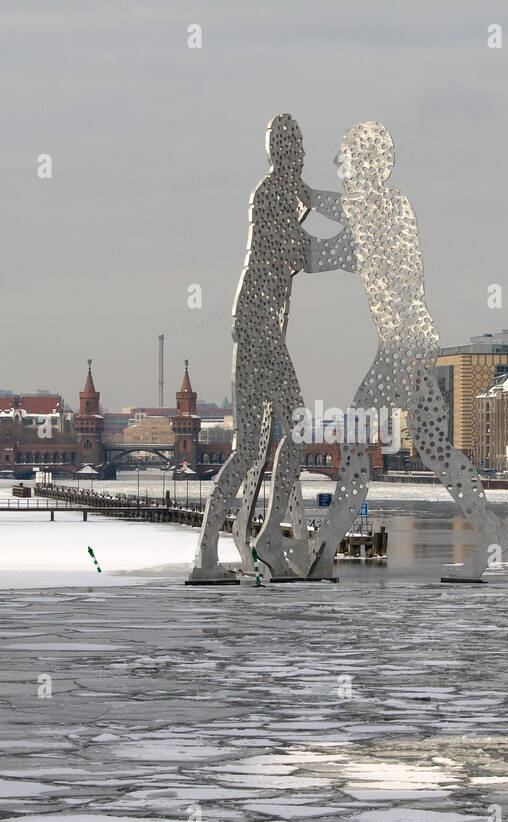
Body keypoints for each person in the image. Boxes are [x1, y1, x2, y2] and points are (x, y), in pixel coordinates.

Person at [307, 121, 508, 581]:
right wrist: (303, 208)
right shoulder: (382, 213)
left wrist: (297, 200)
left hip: (403, 344)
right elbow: (327, 248)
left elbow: (323, 247)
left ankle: (322, 557)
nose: (343, 168)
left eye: (349, 159)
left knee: (357, 443)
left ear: (370, 164)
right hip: (412, 341)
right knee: (434, 448)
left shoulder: (383, 208)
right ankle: (491, 529)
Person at [188, 114, 350, 582]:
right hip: (261, 332)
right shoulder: (275, 194)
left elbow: (321, 206)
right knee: (290, 433)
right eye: (295, 149)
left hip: (258, 330)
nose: (301, 157)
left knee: (252, 448)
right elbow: (304, 253)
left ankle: (215, 554)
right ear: (283, 153)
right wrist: (355, 246)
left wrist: (356, 216)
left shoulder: (283, 191)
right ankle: (258, 546)